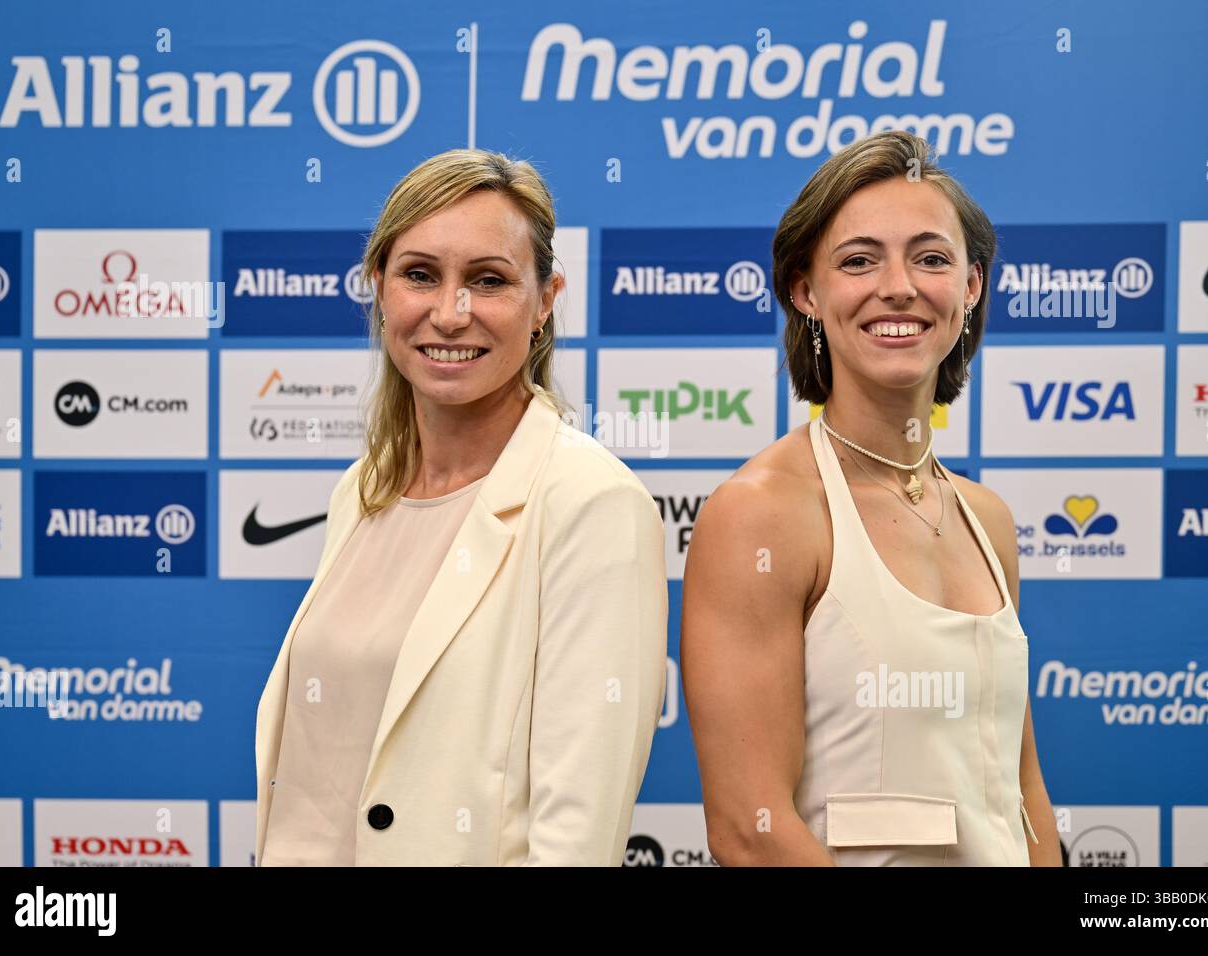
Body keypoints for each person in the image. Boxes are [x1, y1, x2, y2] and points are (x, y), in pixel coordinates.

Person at [254, 148, 668, 866]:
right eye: (420, 275)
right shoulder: (362, 491)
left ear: (544, 301)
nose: (451, 313)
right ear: (379, 288)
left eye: (488, 280)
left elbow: (578, 833)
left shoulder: (591, 504)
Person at [681, 130, 1058, 866]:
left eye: (932, 258)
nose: (899, 287)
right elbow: (748, 828)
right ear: (805, 290)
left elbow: (1023, 793)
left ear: (971, 286)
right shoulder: (759, 512)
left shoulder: (988, 520)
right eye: (859, 261)